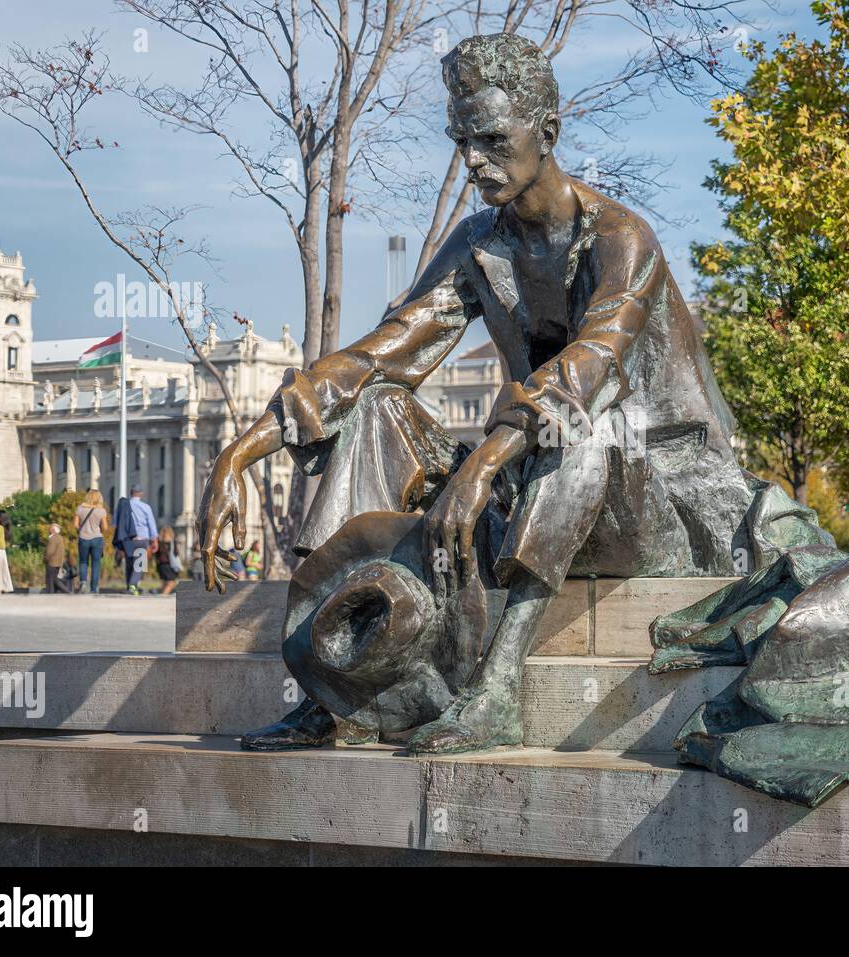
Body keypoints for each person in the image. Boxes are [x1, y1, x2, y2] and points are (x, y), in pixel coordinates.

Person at [202, 35, 812, 754]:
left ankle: (497, 691)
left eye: (492, 139)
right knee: (377, 403)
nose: (473, 159)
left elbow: (588, 368)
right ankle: (332, 680)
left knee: (583, 423)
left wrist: (482, 463)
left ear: (546, 134)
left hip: (651, 510)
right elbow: (380, 353)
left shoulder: (623, 240)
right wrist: (242, 450)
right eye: (462, 140)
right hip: (531, 501)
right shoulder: (479, 244)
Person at [114, 486, 157, 596]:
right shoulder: (145, 507)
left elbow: (115, 523)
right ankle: (133, 586)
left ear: (131, 493)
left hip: (127, 540)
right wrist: (154, 540)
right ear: (141, 494)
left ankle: (130, 587)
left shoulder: (123, 506)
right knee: (140, 564)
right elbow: (151, 525)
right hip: (142, 539)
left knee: (129, 563)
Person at [74, 489, 108, 594]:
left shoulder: (80, 509)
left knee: (83, 562)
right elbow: (105, 527)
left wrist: (81, 531)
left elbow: (75, 524)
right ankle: (94, 588)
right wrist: (99, 531)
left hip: (83, 538)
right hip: (97, 539)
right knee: (96, 563)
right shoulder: (101, 511)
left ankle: (83, 583)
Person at [155, 526, 179, 595]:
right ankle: (163, 596)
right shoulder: (172, 542)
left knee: (165, 582)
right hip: (169, 565)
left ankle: (162, 595)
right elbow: (176, 553)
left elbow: (156, 554)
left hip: (160, 565)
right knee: (171, 583)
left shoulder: (159, 542)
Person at [43, 523, 65, 594]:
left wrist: (45, 559)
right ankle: (51, 592)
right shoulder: (59, 538)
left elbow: (50, 551)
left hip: (52, 562)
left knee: (52, 580)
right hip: (57, 562)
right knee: (53, 580)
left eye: (50, 528)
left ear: (53, 529)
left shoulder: (53, 538)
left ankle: (66, 591)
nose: (49, 529)